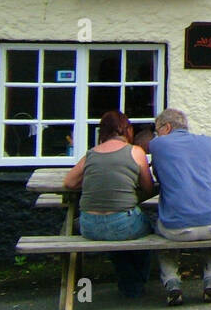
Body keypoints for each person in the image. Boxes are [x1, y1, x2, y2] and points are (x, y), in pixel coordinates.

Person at [62, 110, 155, 299]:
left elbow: (69, 183)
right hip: (124, 223)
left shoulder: (91, 154)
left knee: (110, 234)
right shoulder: (136, 152)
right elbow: (148, 187)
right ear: (126, 129)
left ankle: (129, 283)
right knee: (148, 229)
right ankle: (135, 284)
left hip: (89, 226)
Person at [148, 107, 211, 305]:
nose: (156, 134)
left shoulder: (157, 145)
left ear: (166, 127)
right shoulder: (210, 142)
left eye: (157, 129)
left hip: (177, 229)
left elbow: (158, 177)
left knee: (159, 232)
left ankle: (172, 281)